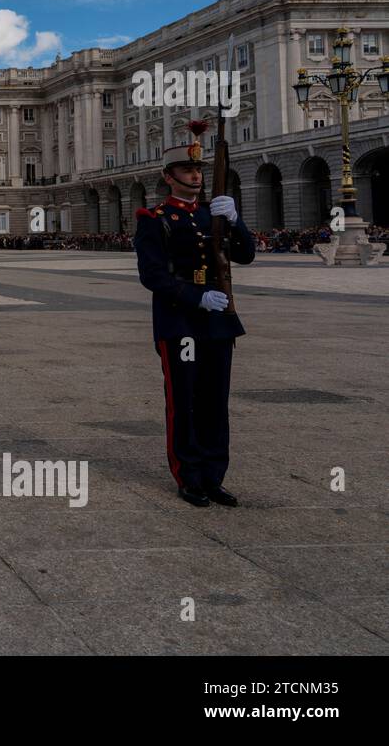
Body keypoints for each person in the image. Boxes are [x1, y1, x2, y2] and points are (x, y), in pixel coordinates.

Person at [134, 119, 256, 509]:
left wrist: (236, 222)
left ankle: (214, 476)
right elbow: (152, 276)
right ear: (168, 177)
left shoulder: (212, 213)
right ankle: (188, 476)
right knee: (183, 400)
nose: (195, 176)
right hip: (180, 321)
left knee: (215, 402)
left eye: (199, 170)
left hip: (218, 323)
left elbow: (246, 254)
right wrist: (195, 297)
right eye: (187, 170)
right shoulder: (154, 220)